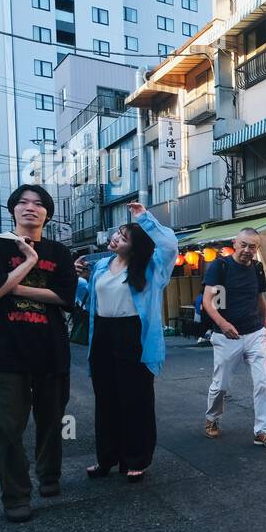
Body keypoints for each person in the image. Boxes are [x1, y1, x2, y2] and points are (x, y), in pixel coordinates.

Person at [0, 185, 78, 522]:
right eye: (22, 203)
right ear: (13, 210)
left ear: (47, 213)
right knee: (5, 426)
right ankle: (16, 495)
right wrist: (29, 261)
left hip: (50, 348)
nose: (30, 208)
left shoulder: (59, 252)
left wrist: (11, 286)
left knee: (51, 419)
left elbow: (65, 296)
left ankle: (49, 475)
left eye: (38, 204)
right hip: (3, 351)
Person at [75, 202, 178, 483]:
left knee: (136, 399)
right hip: (103, 335)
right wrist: (78, 279)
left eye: (124, 235)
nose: (116, 237)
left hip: (133, 336)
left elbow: (170, 246)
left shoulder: (152, 268)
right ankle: (106, 458)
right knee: (105, 399)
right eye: (118, 233)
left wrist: (144, 219)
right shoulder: (101, 267)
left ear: (136, 246)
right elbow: (93, 299)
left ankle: (136, 460)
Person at [202, 228, 266, 447]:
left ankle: (263, 431)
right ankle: (212, 418)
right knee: (221, 385)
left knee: (263, 382)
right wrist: (223, 323)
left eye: (252, 246)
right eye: (244, 245)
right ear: (234, 243)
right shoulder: (221, 266)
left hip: (255, 332)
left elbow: (259, 299)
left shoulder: (257, 268)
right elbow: (207, 301)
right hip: (226, 335)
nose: (247, 250)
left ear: (258, 248)